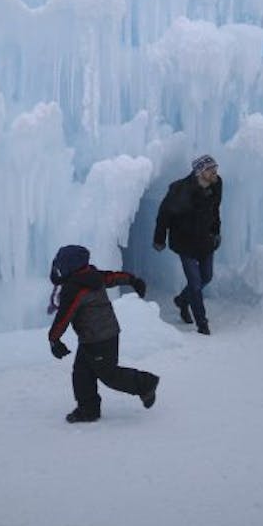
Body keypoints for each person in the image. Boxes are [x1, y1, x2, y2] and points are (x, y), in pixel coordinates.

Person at [47, 244, 159, 423]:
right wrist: (132, 280)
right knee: (82, 373)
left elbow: (64, 317)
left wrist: (54, 339)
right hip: (95, 336)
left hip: (100, 338)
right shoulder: (91, 275)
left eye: (61, 264)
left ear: (70, 266)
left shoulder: (75, 288)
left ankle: (145, 384)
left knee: (109, 375)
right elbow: (113, 277)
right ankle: (88, 410)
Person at [153, 154, 223, 335]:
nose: (215, 172)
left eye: (215, 168)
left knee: (206, 277)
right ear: (199, 172)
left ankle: (182, 300)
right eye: (210, 169)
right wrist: (159, 239)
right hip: (185, 243)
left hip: (206, 241)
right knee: (195, 283)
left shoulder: (217, 184)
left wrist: (216, 232)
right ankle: (202, 324)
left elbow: (215, 210)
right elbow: (164, 215)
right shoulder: (180, 190)